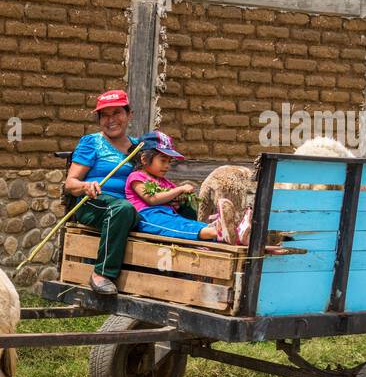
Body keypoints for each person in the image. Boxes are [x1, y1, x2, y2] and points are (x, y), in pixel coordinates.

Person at [64, 89, 142, 294]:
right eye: (105, 115)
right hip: (93, 203)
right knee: (122, 209)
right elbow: (70, 184)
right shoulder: (92, 143)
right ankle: (101, 274)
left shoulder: (138, 148)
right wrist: (85, 186)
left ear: (129, 115)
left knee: (181, 207)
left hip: (129, 209)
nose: (111, 120)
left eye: (117, 112)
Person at [124, 131, 249, 245]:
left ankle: (235, 234)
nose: (167, 166)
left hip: (169, 215)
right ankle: (219, 231)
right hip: (148, 218)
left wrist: (179, 200)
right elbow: (152, 199)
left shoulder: (165, 182)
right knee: (180, 228)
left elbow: (174, 199)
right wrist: (180, 189)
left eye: (169, 162)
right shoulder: (136, 177)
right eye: (163, 161)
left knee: (190, 224)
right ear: (144, 159)